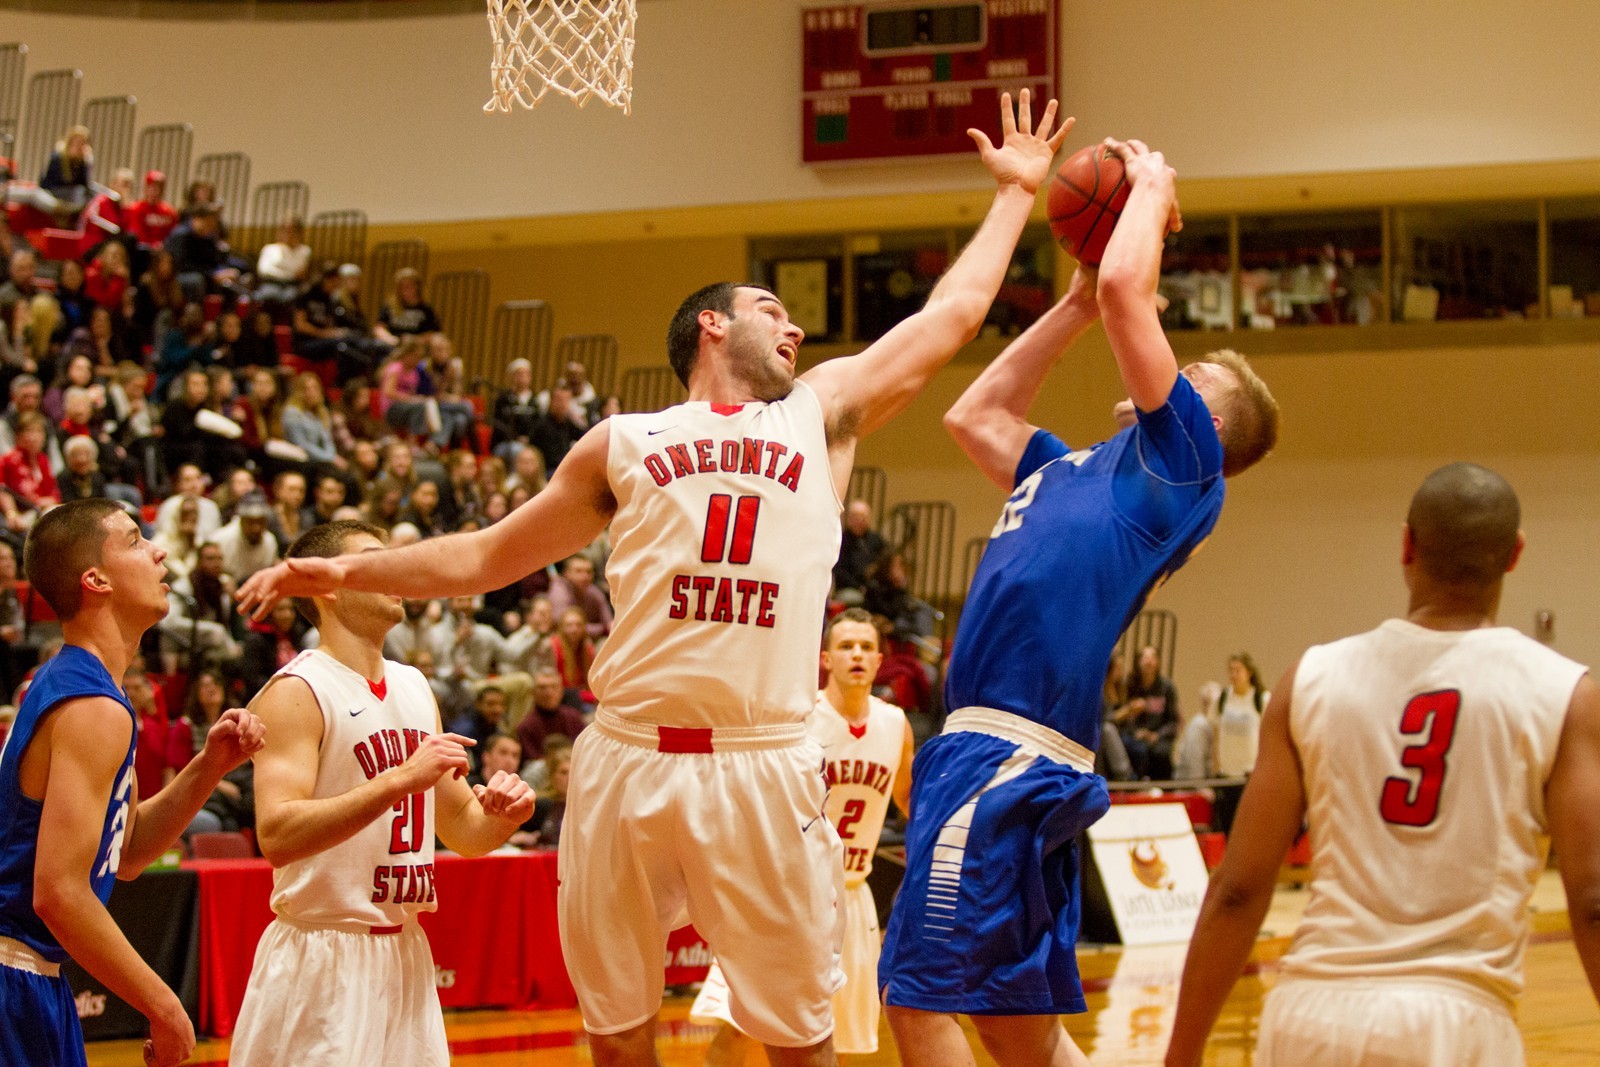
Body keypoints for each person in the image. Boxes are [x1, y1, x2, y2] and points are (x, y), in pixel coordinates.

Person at [237, 90, 1071, 1067]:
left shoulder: (819, 412)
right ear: (711, 325)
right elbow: (484, 555)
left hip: (763, 756)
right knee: (617, 1030)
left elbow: (953, 315)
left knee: (795, 1037)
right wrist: (345, 564)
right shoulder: (621, 441)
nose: (796, 331)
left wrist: (1014, 195)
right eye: (773, 311)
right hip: (628, 751)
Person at [878, 136, 1280, 1067]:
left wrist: (1151, 187)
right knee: (1015, 1026)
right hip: (1001, 746)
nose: (1168, 373)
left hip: (1007, 746)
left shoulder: (1184, 467)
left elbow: (1129, 291)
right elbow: (974, 416)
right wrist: (1071, 306)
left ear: (1208, 422)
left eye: (1192, 379)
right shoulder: (1074, 468)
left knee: (918, 995)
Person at [1164, 463, 1600, 1067]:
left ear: (1407, 545)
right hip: (1455, 1020)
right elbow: (1593, 899)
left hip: (1310, 1017)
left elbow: (1237, 890)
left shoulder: (1309, 678)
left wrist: (1180, 1056)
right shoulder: (1565, 693)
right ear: (1514, 555)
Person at [228, 520, 536, 1067]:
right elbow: (276, 835)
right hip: (322, 952)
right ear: (327, 586)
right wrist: (399, 779)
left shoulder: (415, 684)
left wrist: (505, 815)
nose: (393, 571)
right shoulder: (297, 691)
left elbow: (464, 831)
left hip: (404, 949)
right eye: (373, 560)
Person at [0, 499, 265, 1067]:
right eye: (135, 541)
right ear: (95, 580)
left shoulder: (92, 689)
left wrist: (209, 766)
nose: (159, 551)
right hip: (12, 975)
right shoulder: (91, 705)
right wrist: (163, 1005)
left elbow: (127, 852)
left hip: (34, 976)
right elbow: (59, 893)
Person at [691, 607, 914, 1062]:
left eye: (866, 647)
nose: (857, 654)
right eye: (846, 646)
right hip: (785, 890)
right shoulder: (799, 716)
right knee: (741, 1025)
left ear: (879, 661)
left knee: (836, 1038)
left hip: (851, 894)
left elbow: (911, 802)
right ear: (826, 659)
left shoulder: (896, 724)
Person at [1119, 644, 1180, 779]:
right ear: (1138, 662)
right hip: (1134, 737)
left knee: (1161, 753)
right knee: (1136, 750)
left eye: (1152, 658)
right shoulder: (1130, 685)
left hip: (1158, 737)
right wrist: (1136, 731)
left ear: (1158, 662)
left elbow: (1173, 722)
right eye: (1145, 658)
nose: (1149, 662)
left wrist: (1156, 735)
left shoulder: (1167, 688)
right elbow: (1122, 717)